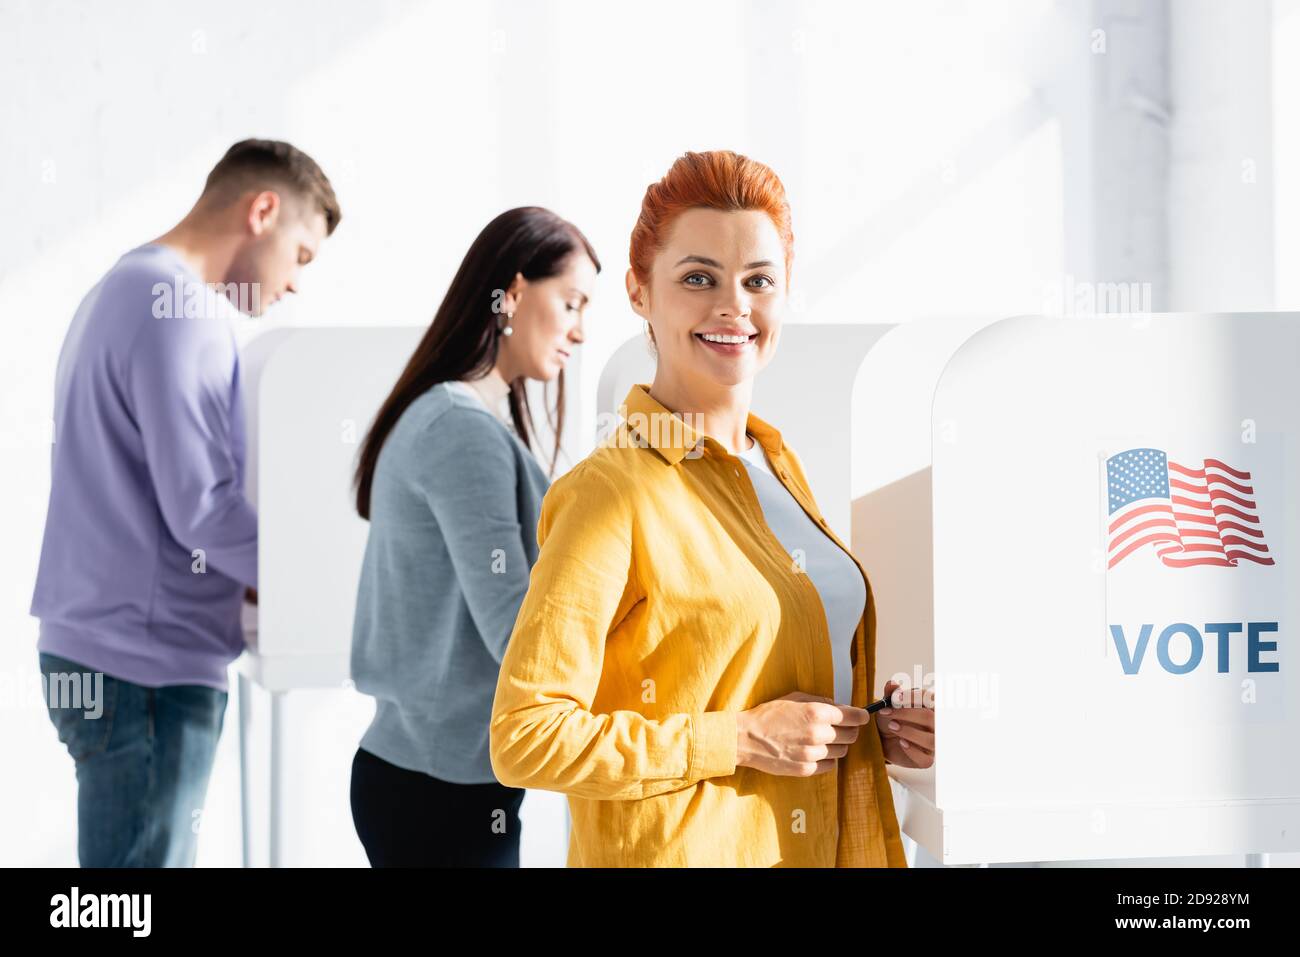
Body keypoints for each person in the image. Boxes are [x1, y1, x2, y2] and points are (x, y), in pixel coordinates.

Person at [490, 150, 935, 867]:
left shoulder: (777, 466)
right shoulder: (611, 492)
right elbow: (525, 735)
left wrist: (864, 731)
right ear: (639, 291)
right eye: (699, 278)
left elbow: (751, 687)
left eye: (759, 281)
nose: (734, 306)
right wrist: (742, 737)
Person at [32, 138, 341, 867]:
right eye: (301, 254)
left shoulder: (124, 286)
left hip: (99, 653)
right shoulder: (181, 310)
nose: (295, 285)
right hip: (146, 673)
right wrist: (332, 584)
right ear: (263, 210)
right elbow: (202, 509)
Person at [348, 207, 598, 867]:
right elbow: (513, 626)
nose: (578, 329)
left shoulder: (460, 413)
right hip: (439, 791)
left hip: (435, 779)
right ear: (513, 293)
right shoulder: (462, 428)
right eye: (570, 302)